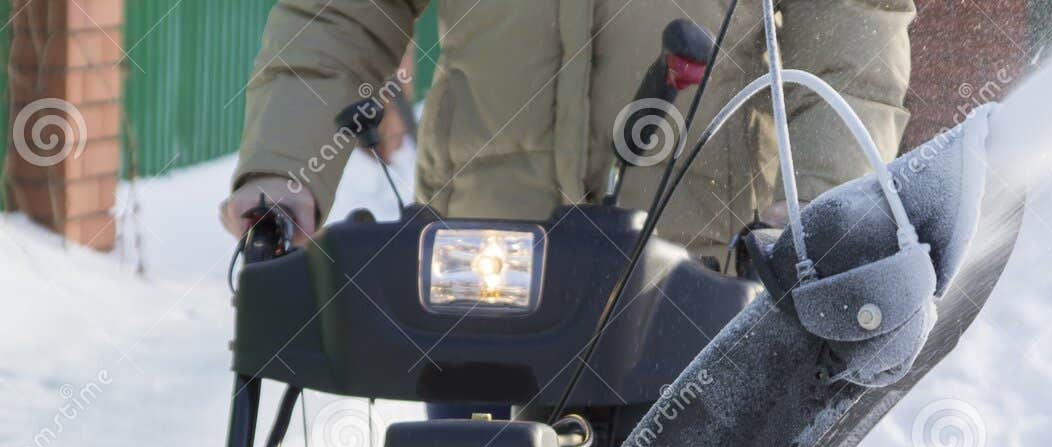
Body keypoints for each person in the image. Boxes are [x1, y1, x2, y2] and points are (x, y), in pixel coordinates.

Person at [220, 0, 915, 265]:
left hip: (694, 269)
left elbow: (852, 34)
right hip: (475, 265)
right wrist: (285, 167)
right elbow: (340, 17)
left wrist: (826, 197)